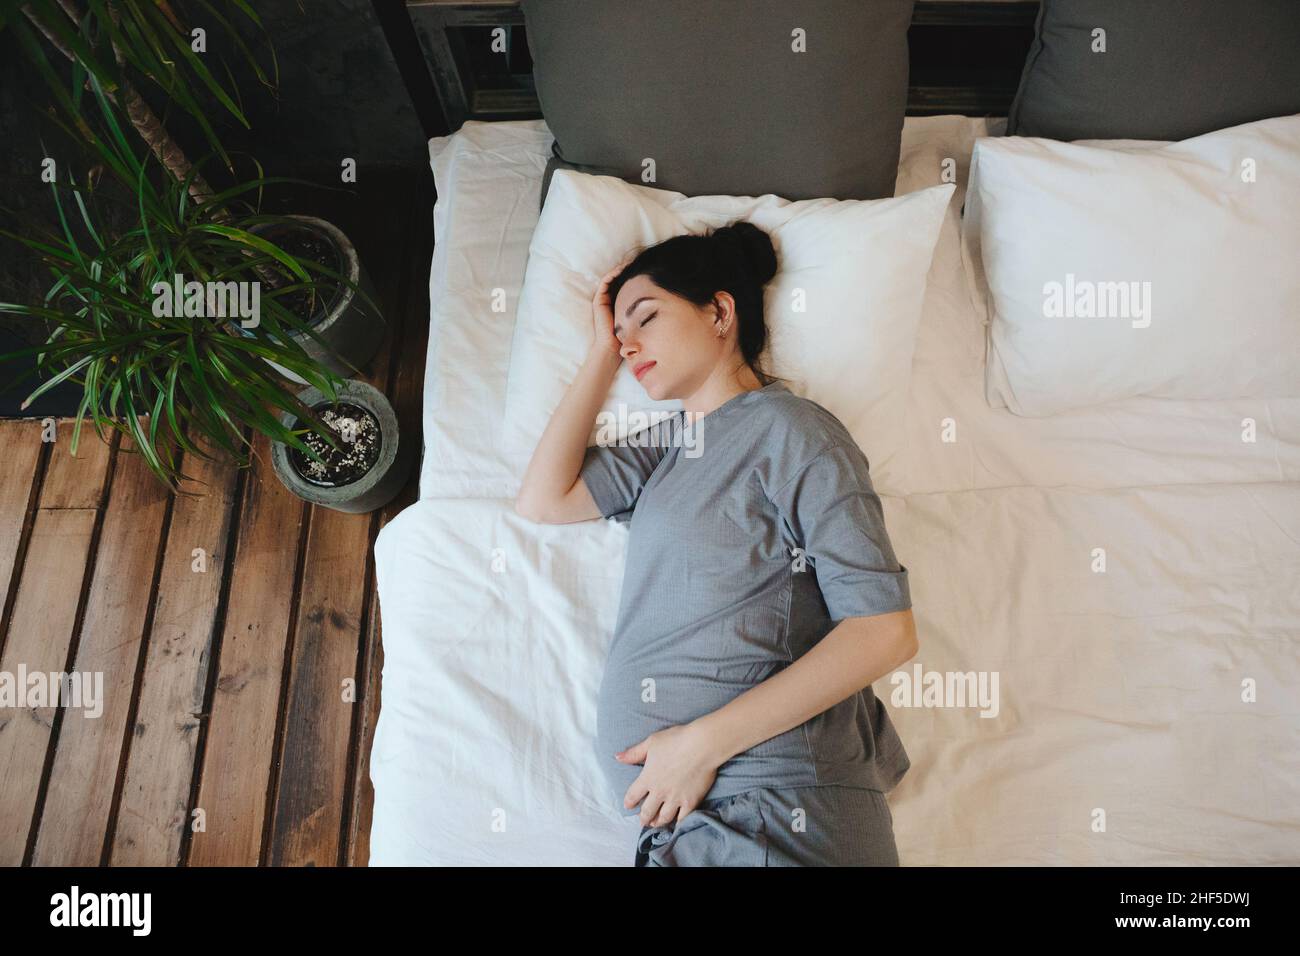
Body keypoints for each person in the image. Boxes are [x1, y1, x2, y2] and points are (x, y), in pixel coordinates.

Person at [514, 221, 918, 866]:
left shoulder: (792, 431)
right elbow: (544, 498)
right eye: (620, 333)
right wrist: (598, 353)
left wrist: (700, 746)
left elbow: (883, 630)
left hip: (769, 806)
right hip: (704, 817)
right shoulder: (669, 448)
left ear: (720, 311)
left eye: (646, 318)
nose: (629, 344)